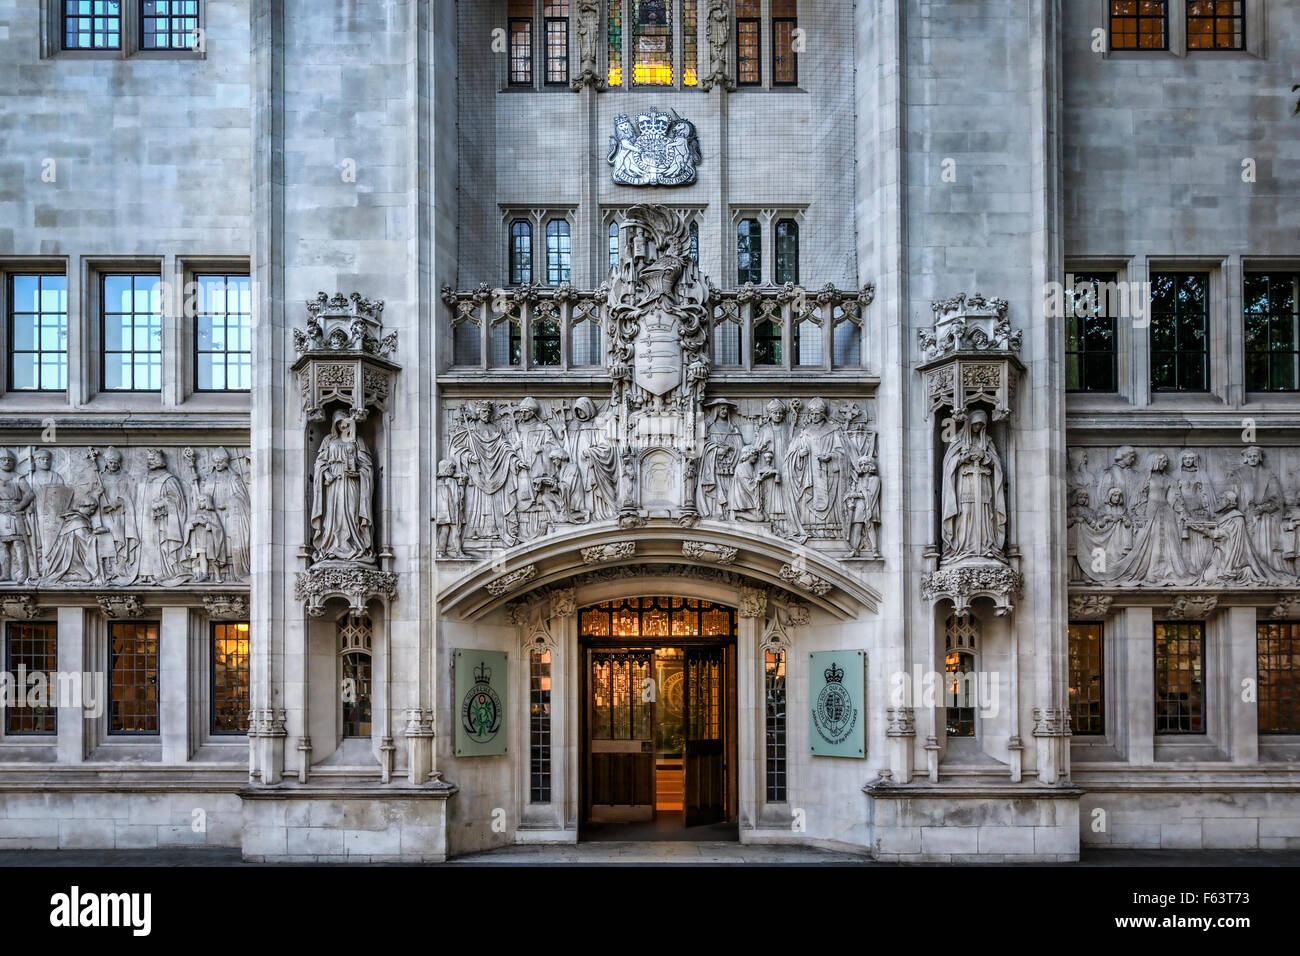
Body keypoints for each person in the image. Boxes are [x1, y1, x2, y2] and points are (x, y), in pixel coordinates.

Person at [310, 410, 376, 563]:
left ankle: (353, 544)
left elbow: (367, 465)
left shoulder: (357, 441)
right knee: (334, 514)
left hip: (352, 482)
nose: (342, 426)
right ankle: (332, 546)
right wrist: (326, 474)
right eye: (339, 423)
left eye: (344, 422)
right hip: (333, 484)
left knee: (352, 513)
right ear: (335, 425)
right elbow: (319, 463)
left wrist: (359, 474)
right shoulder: (328, 440)